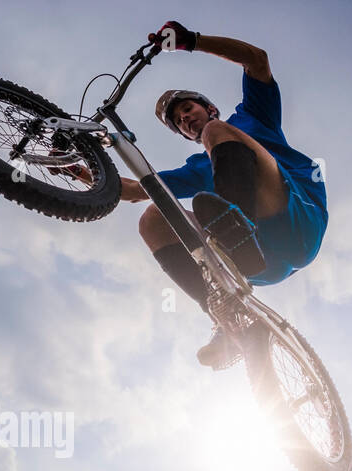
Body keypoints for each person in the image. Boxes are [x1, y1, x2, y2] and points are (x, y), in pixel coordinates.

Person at [68, 21, 328, 369]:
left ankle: (240, 228)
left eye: (188, 109)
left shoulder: (251, 118)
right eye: (178, 121)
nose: (185, 119)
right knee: (153, 218)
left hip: (298, 221)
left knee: (218, 133)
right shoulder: (196, 167)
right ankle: (226, 319)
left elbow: (257, 60)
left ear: (208, 106)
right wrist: (78, 171)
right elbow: (132, 191)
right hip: (262, 265)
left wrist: (192, 41)